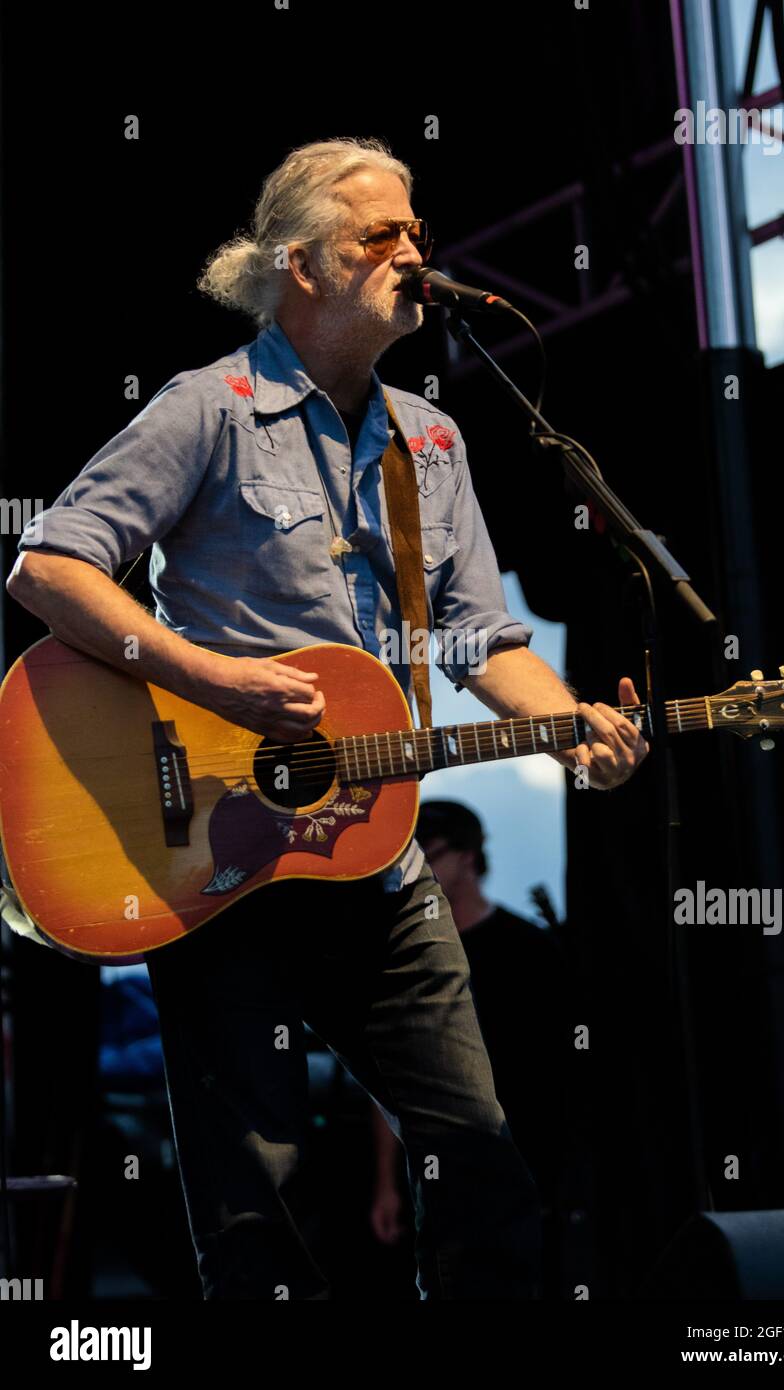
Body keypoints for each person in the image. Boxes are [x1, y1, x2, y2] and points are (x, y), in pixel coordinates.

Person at [6, 136, 648, 1300]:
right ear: (299, 264)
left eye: (417, 233)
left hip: (375, 852)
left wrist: (571, 728)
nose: (414, 252)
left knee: (482, 1155)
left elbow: (481, 639)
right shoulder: (206, 408)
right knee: (257, 1197)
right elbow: (49, 568)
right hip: (214, 846)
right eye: (379, 236)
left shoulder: (431, 441)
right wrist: (216, 680)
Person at [370, 801, 575, 1296]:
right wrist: (385, 1182)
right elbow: (381, 1076)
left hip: (529, 1150)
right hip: (431, 1155)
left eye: (428, 853)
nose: (416, 870)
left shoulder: (530, 950)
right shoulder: (397, 961)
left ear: (468, 855)